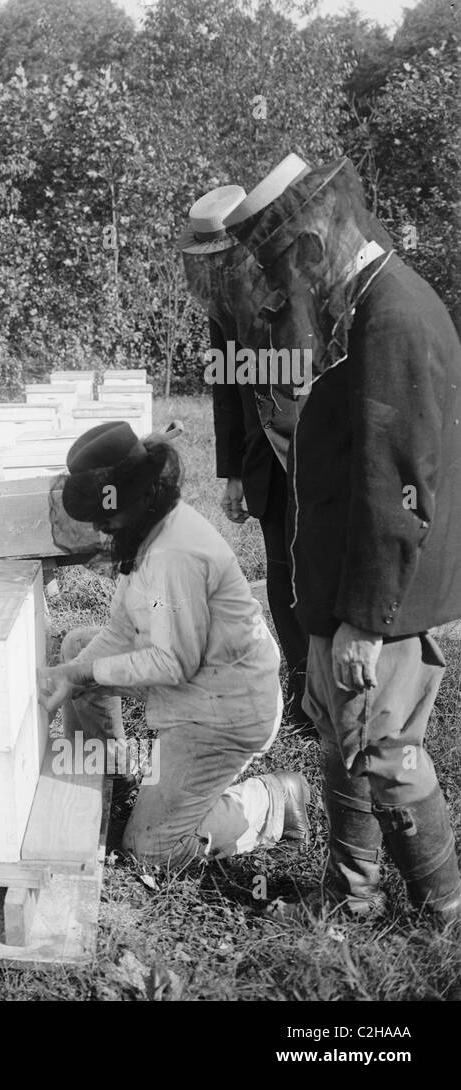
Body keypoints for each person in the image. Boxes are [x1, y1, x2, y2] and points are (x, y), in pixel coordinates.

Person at [226, 153, 461, 924]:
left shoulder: (392, 316)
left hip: (376, 599)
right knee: (341, 735)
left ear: (314, 246)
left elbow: (397, 487)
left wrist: (365, 619)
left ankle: (443, 910)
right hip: (339, 585)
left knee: (387, 753)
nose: (289, 292)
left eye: (286, 270)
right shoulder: (365, 305)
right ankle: (351, 895)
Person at [40, 420, 311, 870]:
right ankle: (115, 772)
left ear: (138, 496)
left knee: (151, 850)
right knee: (77, 648)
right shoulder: (146, 531)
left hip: (225, 711)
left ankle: (273, 799)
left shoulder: (175, 554)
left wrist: (82, 674)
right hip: (193, 679)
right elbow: (120, 631)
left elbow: (171, 663)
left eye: (107, 516)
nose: (103, 527)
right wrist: (71, 674)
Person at [178, 178, 315, 738]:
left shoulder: (297, 281)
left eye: (225, 249)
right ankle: (305, 695)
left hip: (314, 454)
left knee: (318, 574)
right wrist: (232, 472)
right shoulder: (220, 303)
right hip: (264, 462)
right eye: (209, 254)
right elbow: (227, 393)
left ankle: (335, 696)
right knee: (280, 579)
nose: (218, 262)